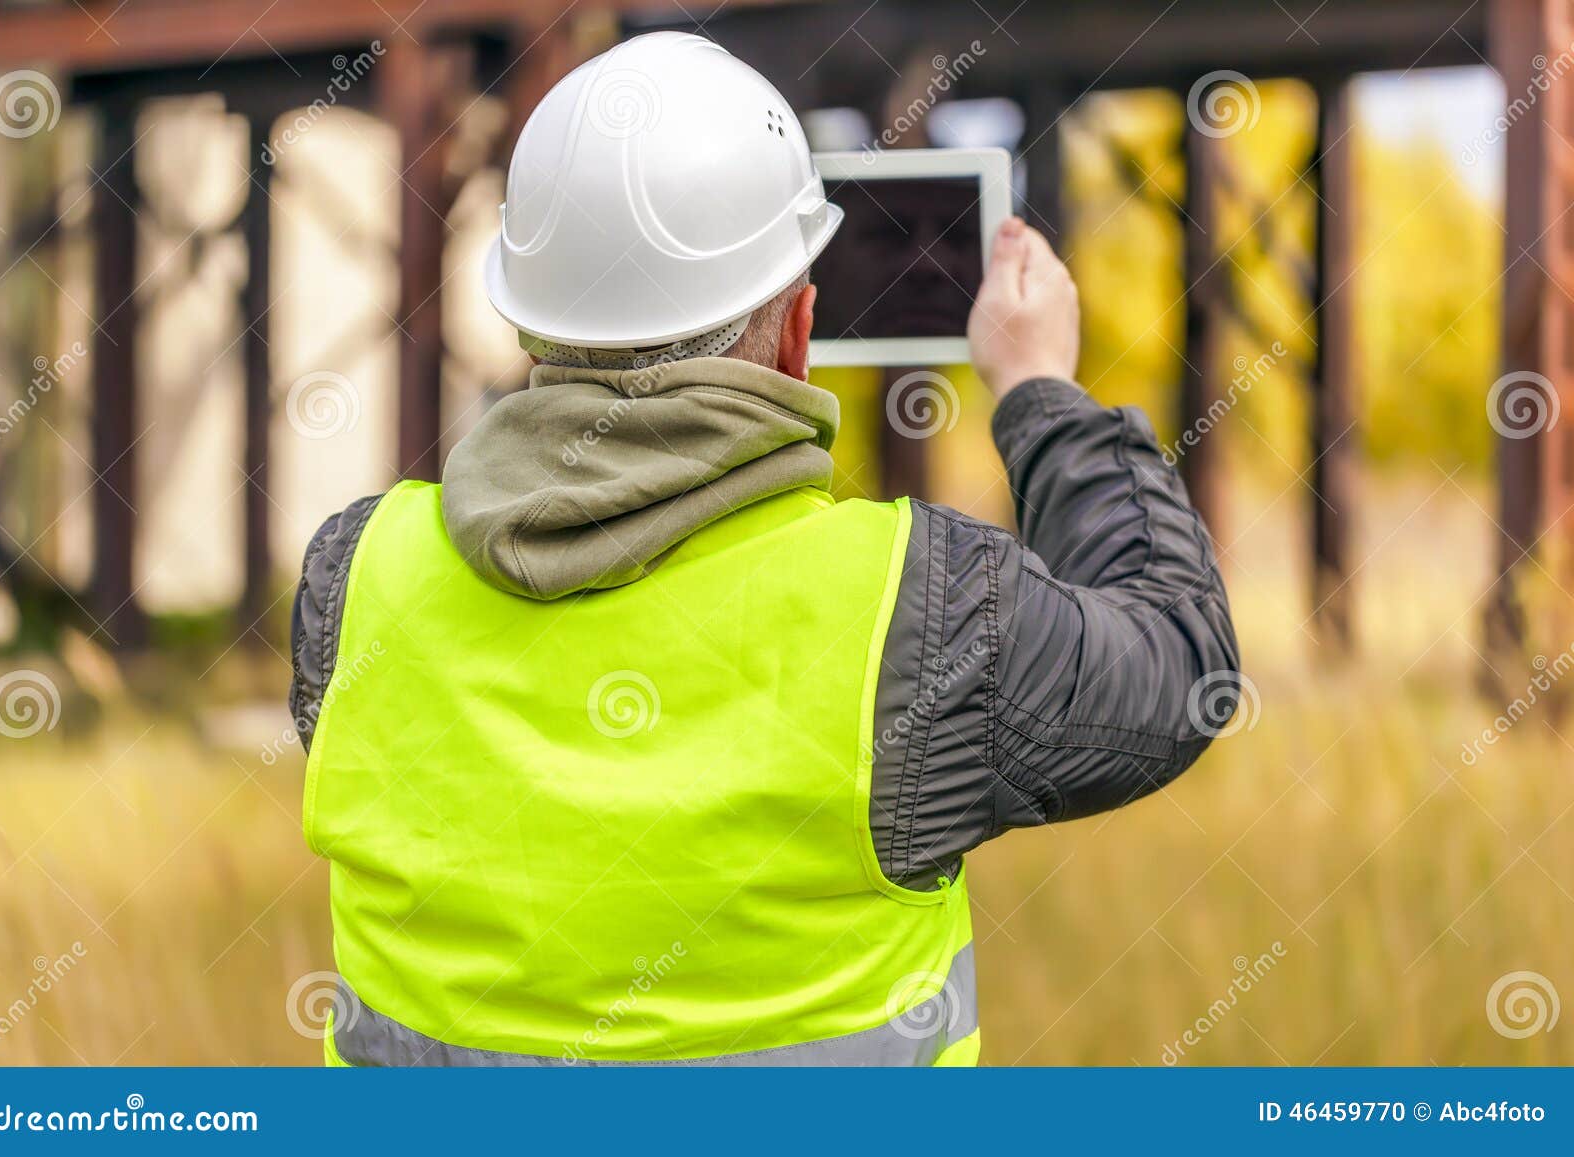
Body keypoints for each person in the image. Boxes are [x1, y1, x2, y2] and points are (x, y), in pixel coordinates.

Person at [289, 31, 1239, 1067]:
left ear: (527, 319)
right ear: (798, 333)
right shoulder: (917, 614)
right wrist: (1040, 396)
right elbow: (1180, 656)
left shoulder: (354, 583)